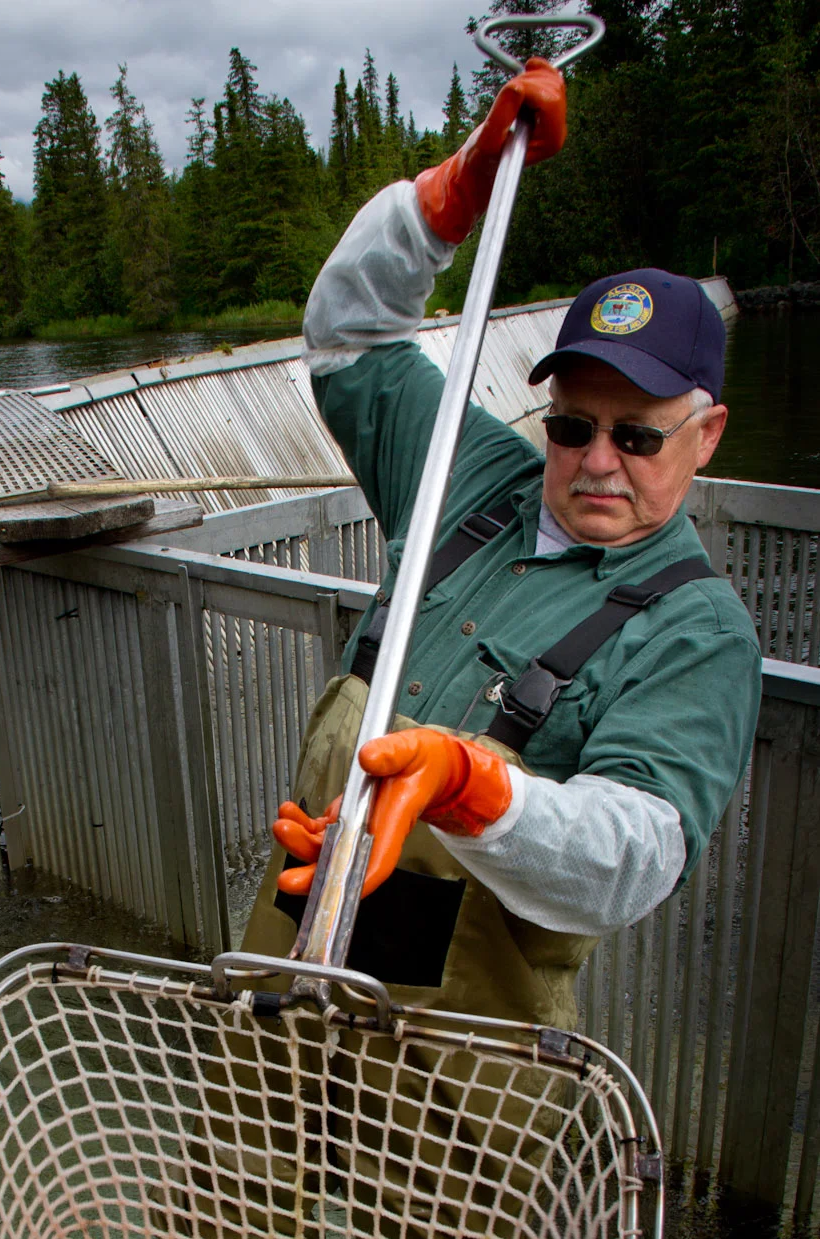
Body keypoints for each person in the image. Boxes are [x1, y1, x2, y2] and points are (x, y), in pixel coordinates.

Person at [242, 58, 762, 1031]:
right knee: (230, 1183)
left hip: (463, 1057)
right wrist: (460, 185)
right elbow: (349, 329)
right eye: (572, 426)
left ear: (709, 433)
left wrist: (474, 787)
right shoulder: (462, 471)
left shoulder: (702, 631)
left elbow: (633, 855)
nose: (599, 460)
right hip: (289, 965)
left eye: (638, 435)